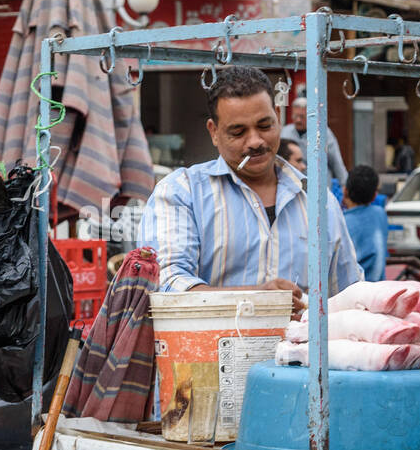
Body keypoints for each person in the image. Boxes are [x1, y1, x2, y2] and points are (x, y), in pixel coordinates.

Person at [139, 67, 361, 308]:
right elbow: (167, 284)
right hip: (208, 345)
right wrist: (258, 297)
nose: (255, 141)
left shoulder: (318, 200)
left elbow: (348, 296)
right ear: (214, 132)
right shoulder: (182, 193)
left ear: (278, 116)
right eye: (238, 132)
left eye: (265, 126)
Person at [281, 96, 350, 188]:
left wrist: (345, 185)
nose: (298, 120)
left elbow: (336, 162)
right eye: (295, 116)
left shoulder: (323, 133)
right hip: (292, 187)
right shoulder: (285, 132)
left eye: (302, 116)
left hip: (319, 188)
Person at [342, 165, 390, 282]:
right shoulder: (380, 214)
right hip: (378, 290)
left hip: (352, 292)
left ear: (345, 191)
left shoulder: (342, 222)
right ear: (374, 196)